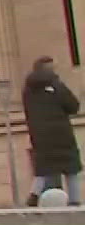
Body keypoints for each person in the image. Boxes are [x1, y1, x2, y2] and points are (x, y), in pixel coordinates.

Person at [23, 56, 81, 205]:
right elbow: (73, 106)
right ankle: (74, 201)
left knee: (44, 168)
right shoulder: (56, 85)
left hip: (40, 136)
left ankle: (34, 194)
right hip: (62, 135)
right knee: (71, 169)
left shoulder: (28, 90)